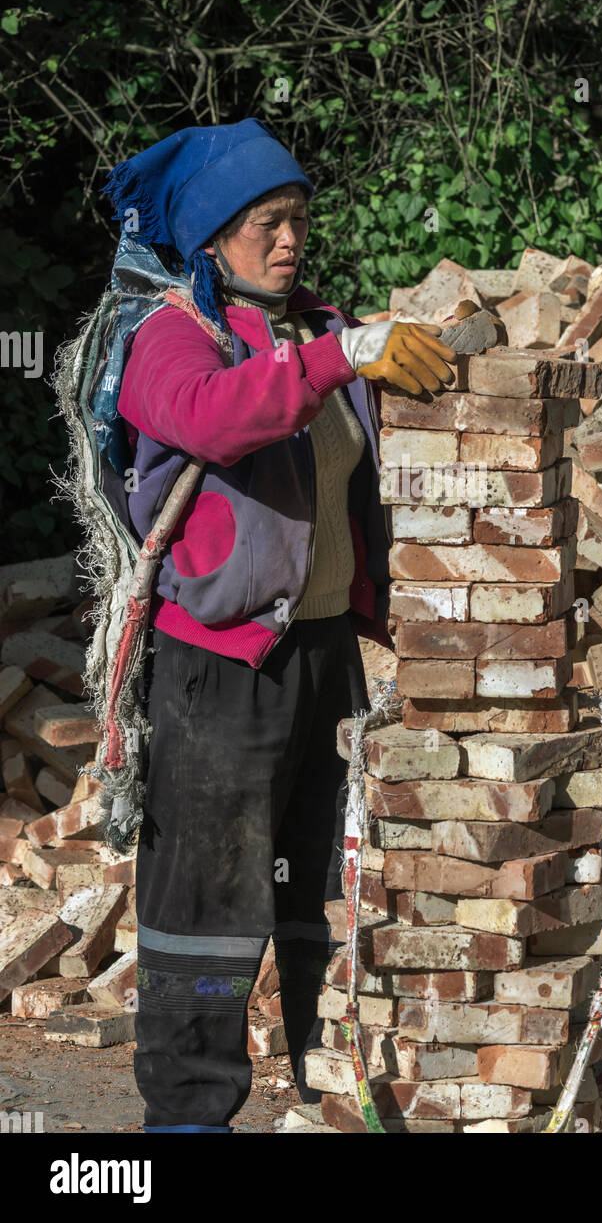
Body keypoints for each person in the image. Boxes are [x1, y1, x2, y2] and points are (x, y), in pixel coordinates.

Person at [103, 118, 457, 1133]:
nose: (290, 237)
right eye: (267, 221)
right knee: (207, 912)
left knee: (319, 889)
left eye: (299, 217)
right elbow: (215, 416)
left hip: (320, 658)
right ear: (213, 236)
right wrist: (344, 356)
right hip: (220, 670)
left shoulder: (320, 327)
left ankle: (322, 1094)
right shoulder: (170, 334)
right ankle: (185, 1117)